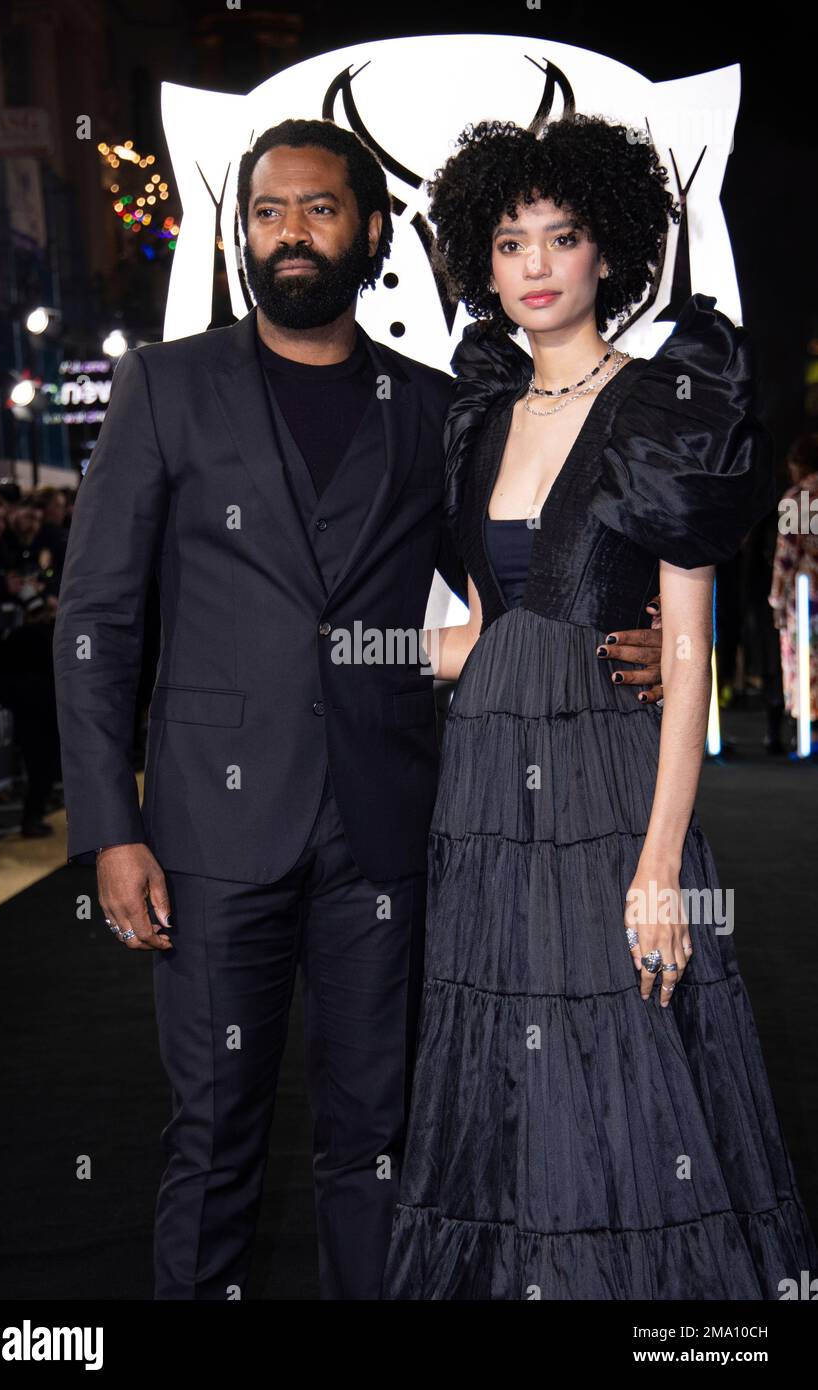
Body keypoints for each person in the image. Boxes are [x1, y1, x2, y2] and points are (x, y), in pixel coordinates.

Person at [52, 117, 663, 1301]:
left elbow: (515, 577)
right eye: (268, 212)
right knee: (212, 1132)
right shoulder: (166, 387)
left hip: (385, 824)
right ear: (243, 236)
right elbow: (97, 622)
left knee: (375, 1139)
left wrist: (622, 631)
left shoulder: (432, 409)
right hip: (207, 832)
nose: (291, 232)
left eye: (319, 208)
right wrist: (106, 826)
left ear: (370, 229)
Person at [383, 114, 818, 1299]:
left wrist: (660, 862)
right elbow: (481, 626)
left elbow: (685, 651)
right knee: (503, 1045)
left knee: (619, 1039)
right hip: (484, 784)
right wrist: (319, 654)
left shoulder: (664, 407)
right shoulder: (478, 415)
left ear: (605, 252)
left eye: (560, 237)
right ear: (479, 260)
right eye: (509, 240)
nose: (533, 264)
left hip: (609, 784)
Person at [770, 433, 818, 741]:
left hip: (808, 592)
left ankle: (807, 728)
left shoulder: (798, 498)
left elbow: (786, 554)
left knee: (805, 656)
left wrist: (776, 597)